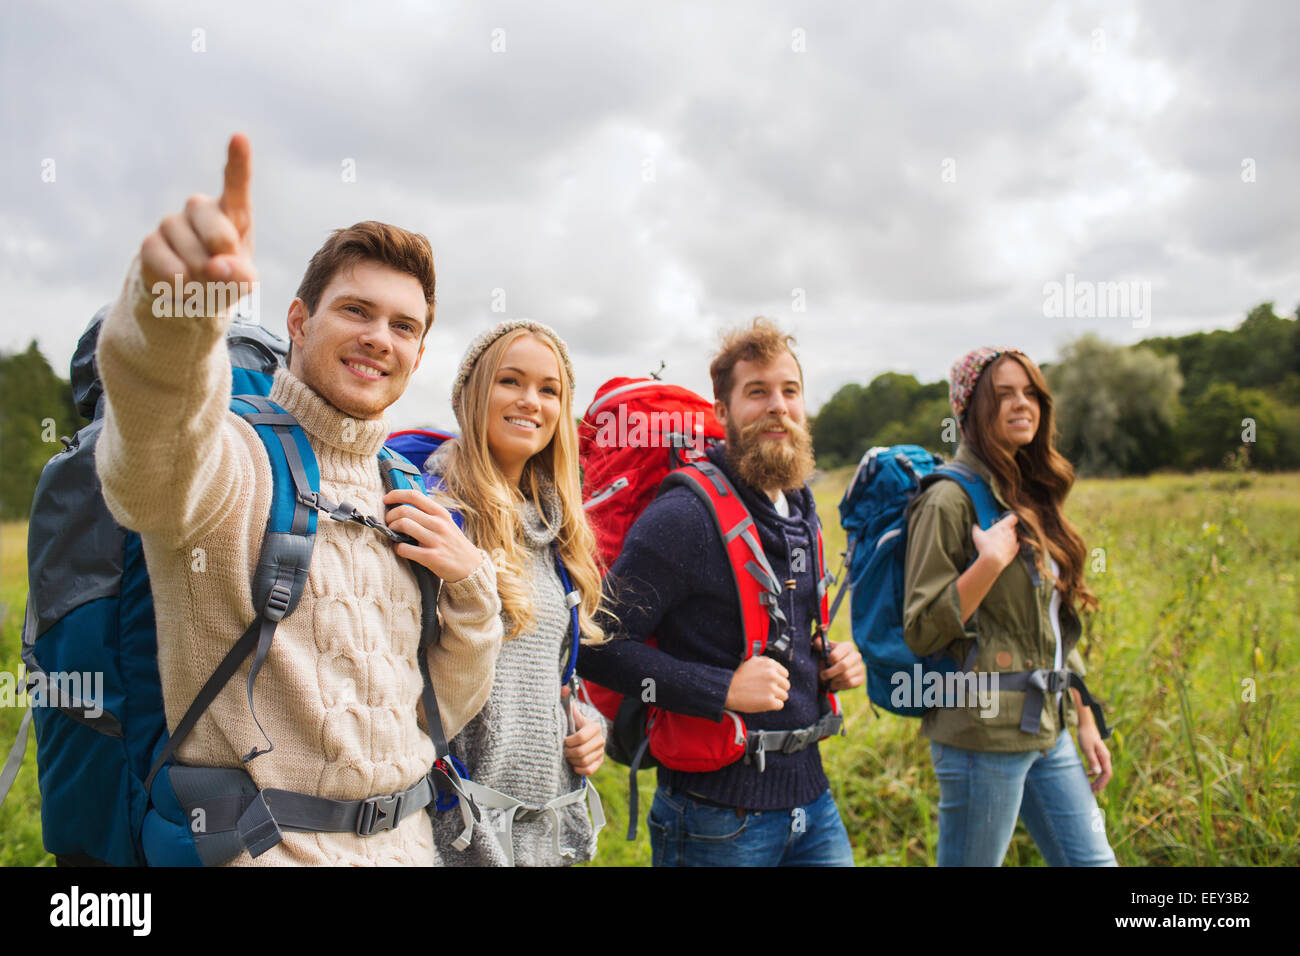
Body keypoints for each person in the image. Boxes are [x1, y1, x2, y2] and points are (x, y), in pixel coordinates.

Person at [94, 134, 503, 866]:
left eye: (404, 326)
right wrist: (175, 320)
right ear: (297, 321)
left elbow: (437, 711)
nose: (380, 338)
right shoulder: (233, 461)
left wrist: (474, 594)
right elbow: (151, 455)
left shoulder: (404, 490)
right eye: (356, 311)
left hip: (412, 848)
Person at [579, 317, 865, 867]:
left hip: (813, 800)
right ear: (722, 413)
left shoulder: (800, 508)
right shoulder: (683, 517)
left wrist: (828, 660)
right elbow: (596, 646)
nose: (777, 405)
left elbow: (774, 631)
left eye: (790, 391)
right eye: (756, 392)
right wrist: (722, 689)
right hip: (715, 817)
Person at [903, 346, 1116, 867]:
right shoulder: (947, 500)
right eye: (1003, 395)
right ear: (970, 410)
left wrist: (1084, 718)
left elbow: (1055, 627)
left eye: (1030, 393)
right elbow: (922, 629)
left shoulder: (1029, 493)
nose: (1022, 404)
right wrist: (988, 565)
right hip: (980, 736)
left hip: (1048, 727)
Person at [422, 320, 609, 866]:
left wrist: (586, 723)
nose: (531, 401)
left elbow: (551, 671)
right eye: (511, 381)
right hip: (454, 836)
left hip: (543, 832)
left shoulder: (557, 531)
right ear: (471, 395)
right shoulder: (435, 514)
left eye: (549, 389)